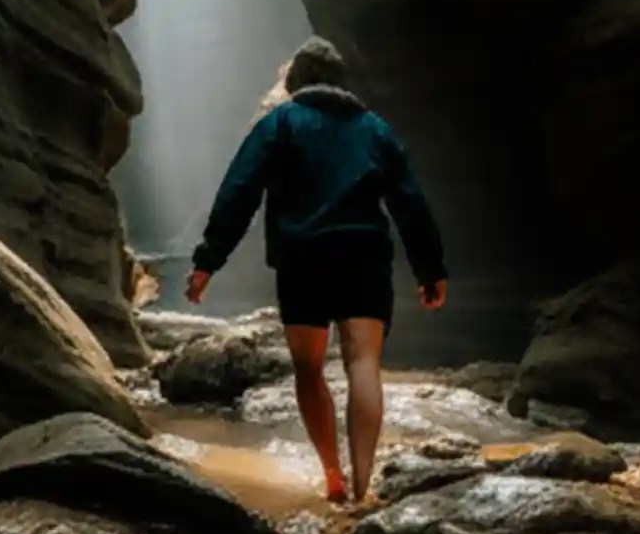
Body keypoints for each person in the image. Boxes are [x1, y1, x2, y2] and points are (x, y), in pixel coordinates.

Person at [185, 37, 447, 503]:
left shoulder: (278, 124)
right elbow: (410, 202)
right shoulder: (375, 129)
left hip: (302, 258)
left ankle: (333, 475)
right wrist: (430, 269)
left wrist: (208, 261)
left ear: (295, 82)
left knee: (309, 368)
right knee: (363, 362)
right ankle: (364, 485)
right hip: (364, 256)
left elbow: (239, 190)